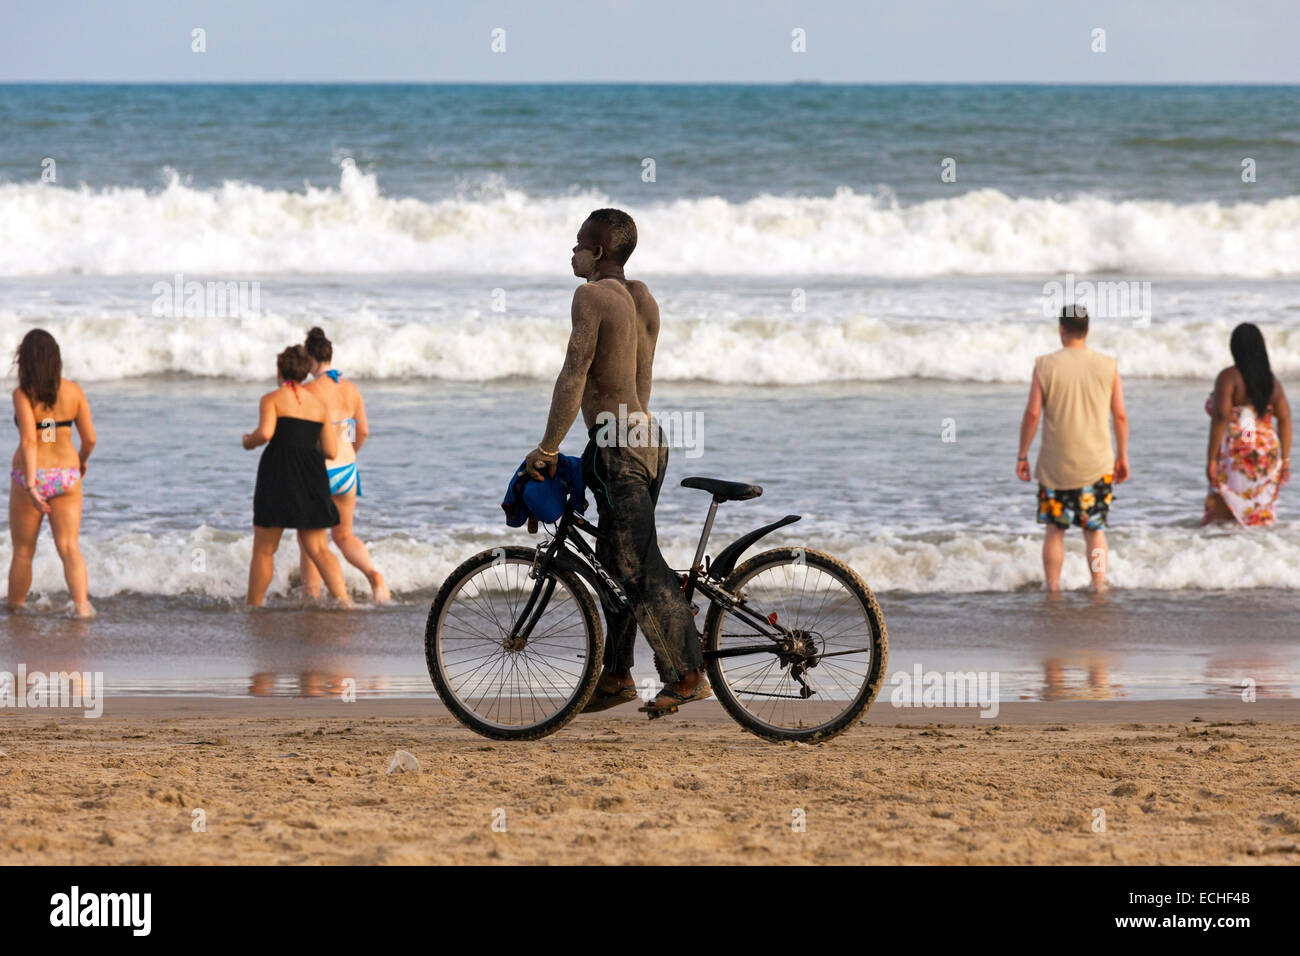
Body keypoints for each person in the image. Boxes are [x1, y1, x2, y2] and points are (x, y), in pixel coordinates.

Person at [523, 208, 708, 715]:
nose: (573, 253)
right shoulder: (642, 297)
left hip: (617, 445)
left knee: (634, 562)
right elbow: (641, 379)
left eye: (579, 245)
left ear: (598, 252)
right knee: (613, 561)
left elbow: (573, 374)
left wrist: (547, 447)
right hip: (647, 437)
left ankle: (688, 673)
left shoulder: (591, 296)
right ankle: (617, 676)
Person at [1016, 305, 1130, 591]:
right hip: (1098, 463)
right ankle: (1099, 584)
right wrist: (1122, 456)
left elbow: (1032, 414)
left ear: (1062, 329)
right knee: (1095, 531)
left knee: (1055, 531)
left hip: (1056, 465)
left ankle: (1052, 586)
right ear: (1087, 330)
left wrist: (1022, 455)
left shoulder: (1044, 365)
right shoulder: (1108, 364)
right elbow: (1120, 415)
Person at [243, 345, 352, 607]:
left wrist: (249, 441)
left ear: (279, 370)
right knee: (319, 548)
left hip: (278, 473)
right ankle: (344, 601)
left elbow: (266, 433)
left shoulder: (271, 399)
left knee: (265, 548)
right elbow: (330, 449)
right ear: (304, 372)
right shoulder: (319, 405)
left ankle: (254, 605)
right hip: (311, 475)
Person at [7, 329, 96, 617]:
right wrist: (81, 461)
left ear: (26, 361)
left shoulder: (23, 394)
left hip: (30, 479)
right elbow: (91, 438)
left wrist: (32, 487)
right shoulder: (74, 391)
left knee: (23, 551)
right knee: (70, 547)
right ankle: (82, 608)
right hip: (67, 476)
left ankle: (16, 611)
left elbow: (31, 440)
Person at [298, 327, 390, 602]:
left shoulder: (309, 390)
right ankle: (374, 576)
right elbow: (362, 431)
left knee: (310, 544)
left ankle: (311, 597)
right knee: (345, 535)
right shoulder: (350, 389)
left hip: (319, 471)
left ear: (311, 360)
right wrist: (351, 453)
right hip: (348, 471)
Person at [1202, 323, 1290, 526]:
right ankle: (1262, 552)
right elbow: (1284, 419)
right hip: (1267, 449)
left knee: (1220, 514)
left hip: (1239, 447)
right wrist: (1284, 460)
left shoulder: (1229, 377)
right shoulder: (1271, 381)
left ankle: (1219, 552)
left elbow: (1221, 417)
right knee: (1258, 516)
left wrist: (1211, 459)